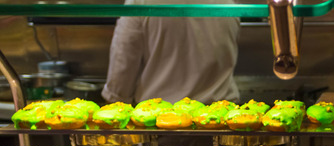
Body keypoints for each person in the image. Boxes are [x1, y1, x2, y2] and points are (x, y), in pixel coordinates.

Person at [102, 0, 240, 105]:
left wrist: (115, 102)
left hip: (161, 122)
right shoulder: (228, 2)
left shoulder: (140, 3)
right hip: (221, 122)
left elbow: (121, 71)